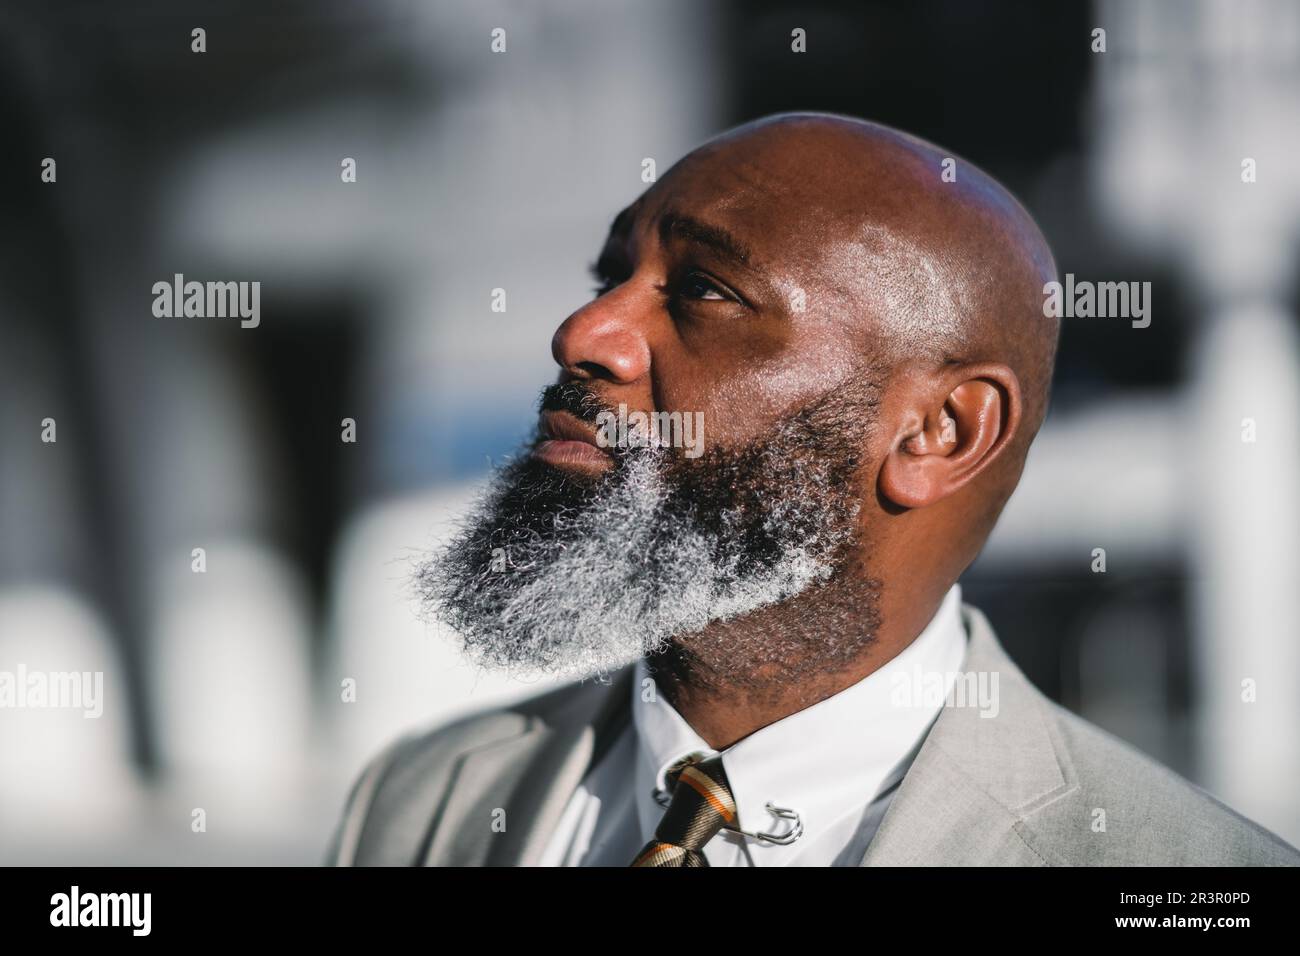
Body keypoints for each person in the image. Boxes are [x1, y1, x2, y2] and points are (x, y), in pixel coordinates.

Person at [327, 113, 1300, 866]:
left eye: (703, 290)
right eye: (612, 273)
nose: (585, 331)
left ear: (939, 431)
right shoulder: (422, 799)